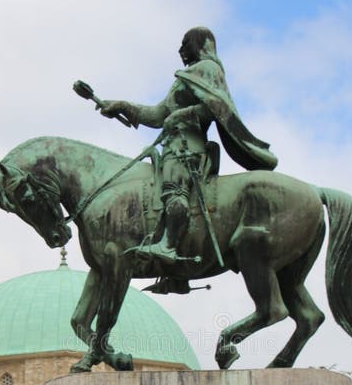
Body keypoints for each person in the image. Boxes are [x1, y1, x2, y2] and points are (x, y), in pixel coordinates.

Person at [100, 26, 278, 263]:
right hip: (173, 145)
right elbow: (158, 114)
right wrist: (123, 106)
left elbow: (216, 109)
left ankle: (169, 246)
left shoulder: (208, 69)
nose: (180, 49)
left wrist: (181, 116)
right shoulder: (186, 76)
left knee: (175, 191)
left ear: (197, 44)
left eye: (185, 43)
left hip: (187, 148)